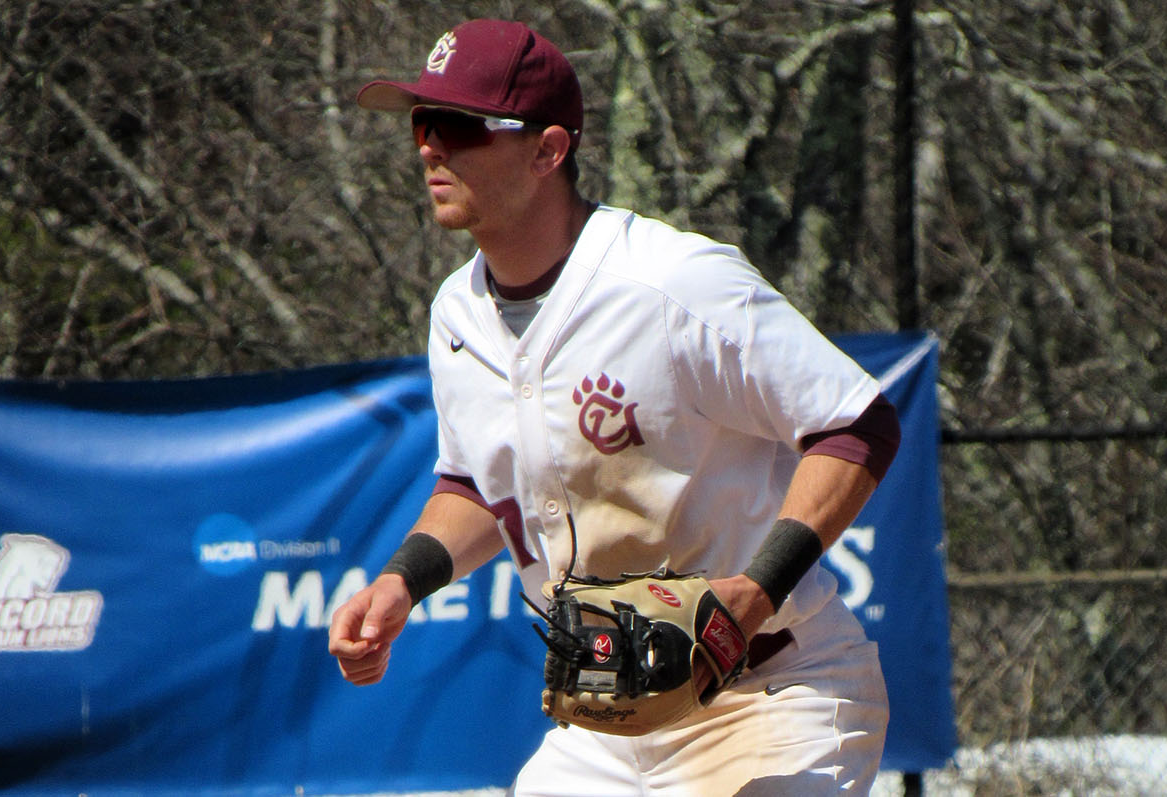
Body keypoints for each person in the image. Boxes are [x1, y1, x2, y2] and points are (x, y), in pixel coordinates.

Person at [329, 18, 901, 796]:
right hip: (608, 718)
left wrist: (755, 591)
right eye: (422, 122)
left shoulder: (673, 283)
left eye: (460, 125)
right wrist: (403, 579)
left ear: (548, 150)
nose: (430, 146)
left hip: (771, 690)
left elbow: (856, 422)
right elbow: (479, 486)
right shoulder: (456, 313)